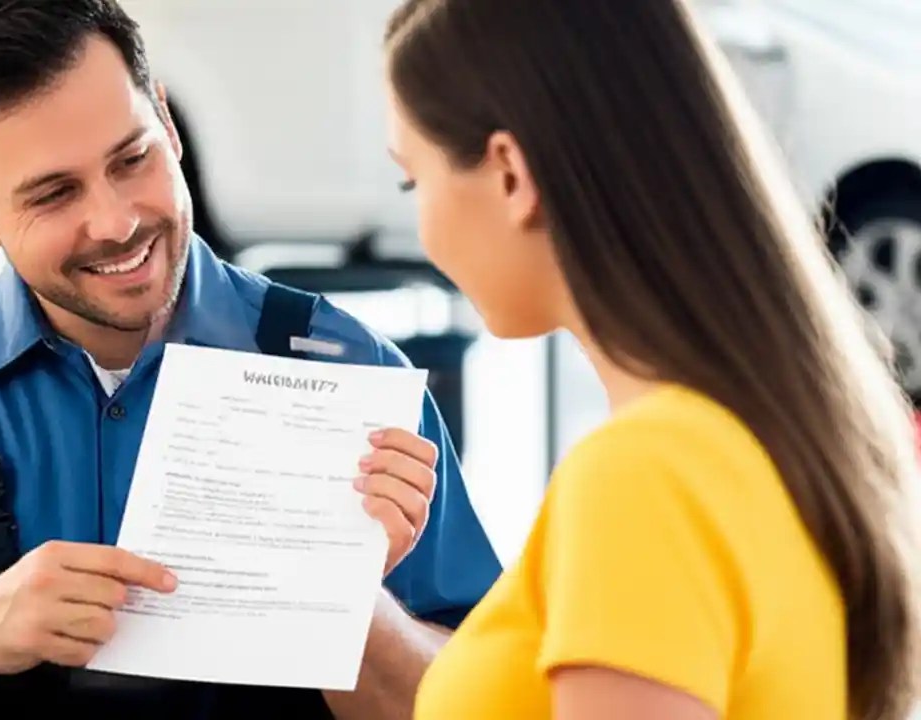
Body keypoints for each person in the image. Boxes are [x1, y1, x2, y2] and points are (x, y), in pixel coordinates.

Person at [0, 1, 501, 718]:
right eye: (52, 195)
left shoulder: (349, 373)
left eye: (131, 158)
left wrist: (346, 601)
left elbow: (484, 704)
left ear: (166, 124)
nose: (115, 220)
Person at [382, 1, 921, 719]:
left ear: (511, 174)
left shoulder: (643, 475)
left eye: (413, 180)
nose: (421, 227)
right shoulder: (770, 440)